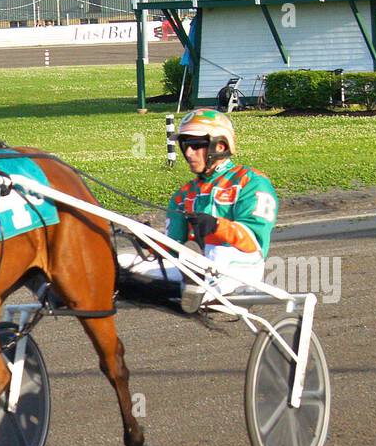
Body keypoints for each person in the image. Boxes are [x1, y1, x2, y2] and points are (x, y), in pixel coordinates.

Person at [118, 108, 278, 312]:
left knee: (217, 251)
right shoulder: (184, 194)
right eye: (185, 146)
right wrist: (149, 241)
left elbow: (252, 242)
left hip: (240, 270)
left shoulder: (251, 183)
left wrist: (216, 226)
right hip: (197, 267)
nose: (188, 153)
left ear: (219, 146)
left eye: (195, 146)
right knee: (122, 261)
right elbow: (173, 247)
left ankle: (199, 288)